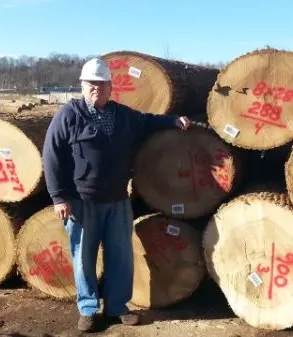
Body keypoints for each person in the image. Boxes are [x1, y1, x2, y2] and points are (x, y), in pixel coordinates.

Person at [42, 58, 191, 332]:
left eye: (102, 83)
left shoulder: (121, 115)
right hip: (81, 201)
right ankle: (88, 309)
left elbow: (146, 122)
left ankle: (117, 306)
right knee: (84, 258)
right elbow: (51, 155)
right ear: (83, 86)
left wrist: (172, 120)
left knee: (121, 256)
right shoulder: (70, 114)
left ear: (111, 87)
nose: (97, 88)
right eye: (91, 84)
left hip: (118, 200)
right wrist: (58, 197)